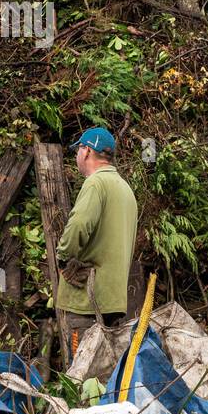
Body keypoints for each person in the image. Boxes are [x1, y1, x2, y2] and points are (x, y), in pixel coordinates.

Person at [55, 128, 138, 365]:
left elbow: (79, 225)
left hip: (87, 300)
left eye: (78, 150)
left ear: (87, 150)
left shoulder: (95, 184)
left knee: (82, 371)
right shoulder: (125, 189)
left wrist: (63, 257)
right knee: (106, 372)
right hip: (114, 300)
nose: (76, 156)